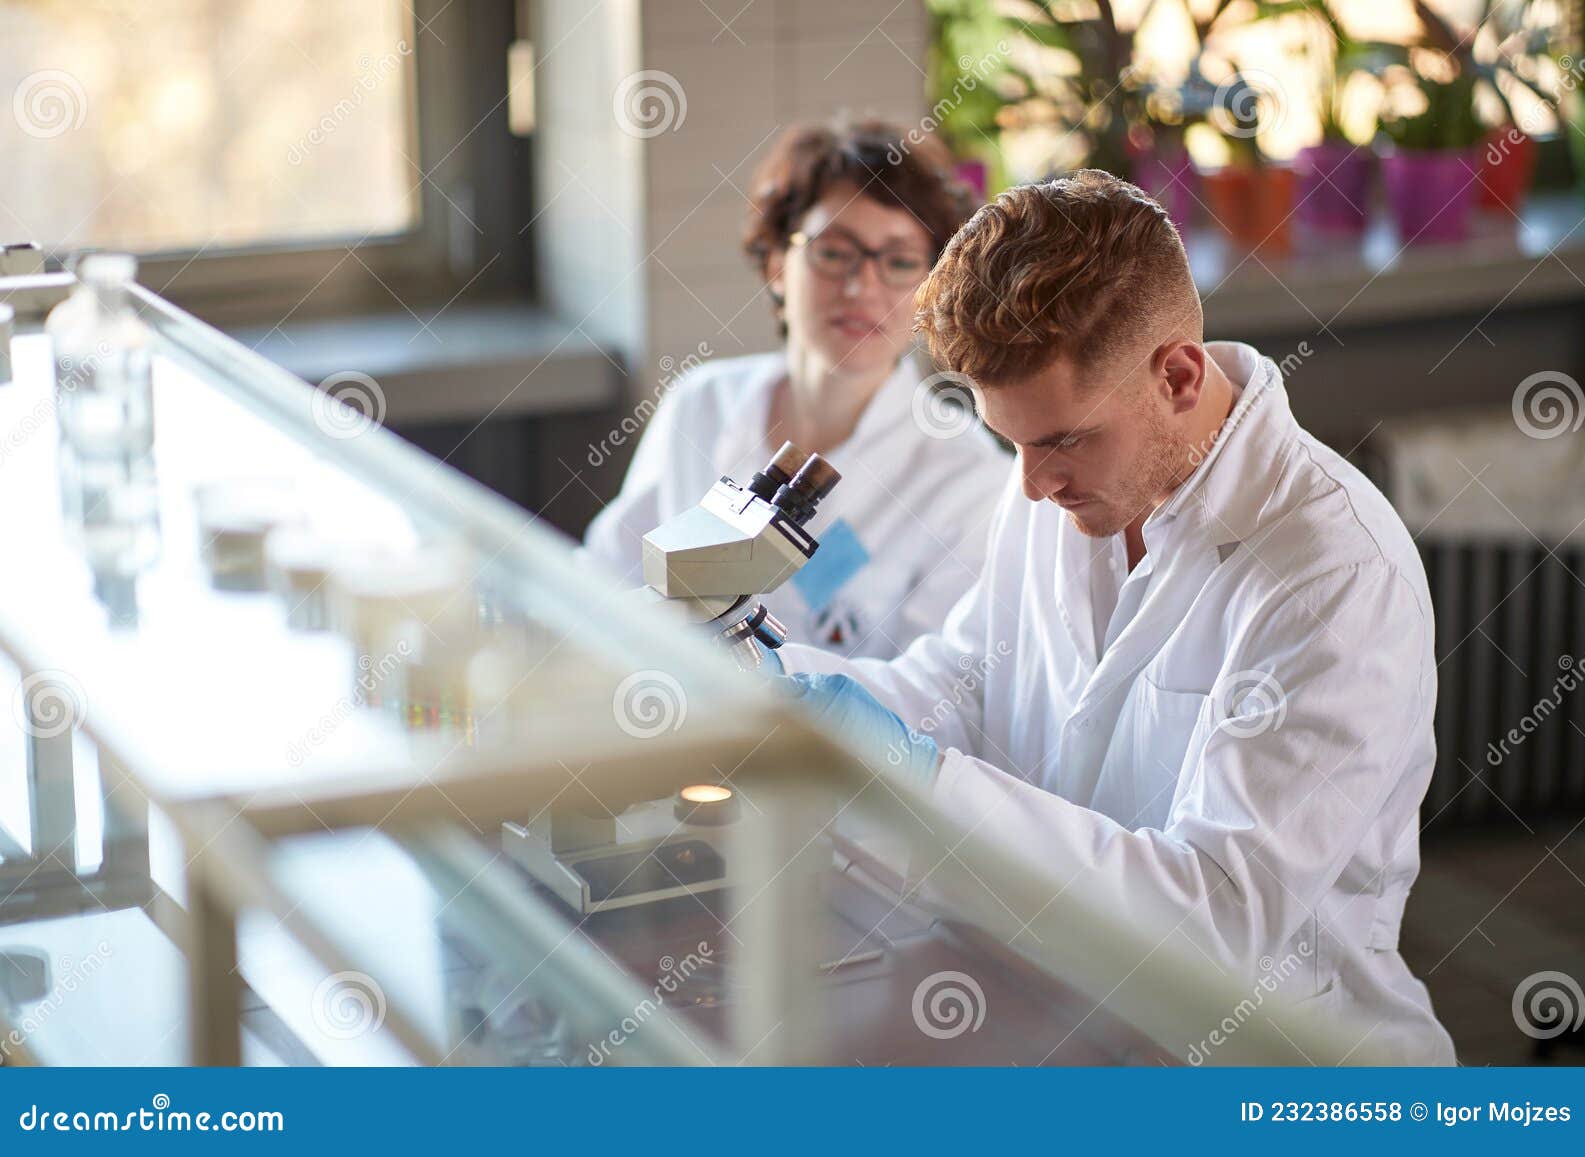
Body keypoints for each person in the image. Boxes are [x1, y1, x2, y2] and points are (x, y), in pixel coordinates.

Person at [781, 171, 1456, 1065]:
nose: (1028, 483)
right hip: (1068, 1025)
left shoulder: (1331, 573)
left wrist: (920, 781)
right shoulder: (1063, 485)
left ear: (1177, 374)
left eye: (1060, 441)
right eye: (1011, 441)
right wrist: (782, 694)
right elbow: (968, 682)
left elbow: (1214, 920)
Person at [584, 120, 1011, 659]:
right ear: (777, 265)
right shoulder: (702, 403)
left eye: (900, 261)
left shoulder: (969, 475)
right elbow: (604, 578)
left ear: (931, 289)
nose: (861, 287)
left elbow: (935, 690)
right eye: (834, 252)